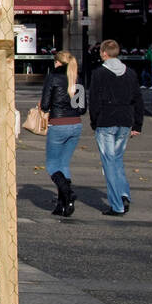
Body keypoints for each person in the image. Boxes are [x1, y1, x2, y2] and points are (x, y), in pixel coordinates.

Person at [89, 39, 143, 216]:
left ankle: (117, 204)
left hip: (106, 120)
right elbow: (138, 99)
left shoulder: (99, 73)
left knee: (109, 162)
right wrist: (138, 124)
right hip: (125, 120)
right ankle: (123, 193)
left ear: (104, 53)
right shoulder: (130, 73)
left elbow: (94, 100)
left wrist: (94, 121)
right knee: (117, 160)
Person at [40, 50, 85, 217]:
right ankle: (63, 204)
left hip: (58, 124)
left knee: (52, 165)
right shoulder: (76, 77)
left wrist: (50, 106)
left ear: (57, 62)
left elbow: (44, 105)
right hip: (75, 124)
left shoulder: (52, 77)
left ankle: (68, 193)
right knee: (64, 164)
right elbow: (82, 108)